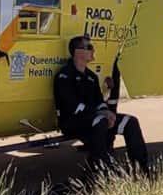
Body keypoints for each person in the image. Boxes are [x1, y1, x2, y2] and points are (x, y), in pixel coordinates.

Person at [54, 35, 150, 176]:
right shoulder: (64, 76)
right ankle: (99, 169)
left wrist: (107, 112)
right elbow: (72, 106)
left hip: (96, 119)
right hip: (73, 122)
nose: (93, 50)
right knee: (100, 122)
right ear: (77, 52)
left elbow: (99, 101)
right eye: (90, 47)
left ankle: (141, 168)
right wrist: (100, 114)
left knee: (131, 122)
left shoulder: (91, 77)